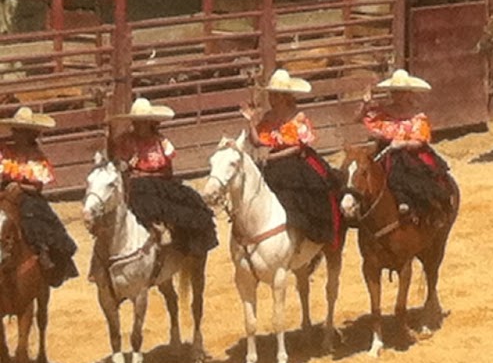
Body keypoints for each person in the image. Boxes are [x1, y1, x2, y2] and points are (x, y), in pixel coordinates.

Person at [109, 97, 219, 258]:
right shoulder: (126, 141)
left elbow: (169, 167)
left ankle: (190, 246)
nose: (140, 125)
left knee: (192, 203)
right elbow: (118, 166)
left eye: (144, 121)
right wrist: (127, 166)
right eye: (137, 122)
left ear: (150, 122)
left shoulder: (161, 141)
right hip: (138, 184)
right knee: (143, 203)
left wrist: (168, 183)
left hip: (162, 183)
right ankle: (155, 230)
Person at [240, 70, 341, 245]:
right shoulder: (268, 117)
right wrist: (250, 121)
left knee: (305, 188)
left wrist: (272, 157)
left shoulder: (298, 117)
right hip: (273, 160)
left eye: (276, 95)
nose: (272, 99)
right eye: (271, 95)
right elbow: (257, 142)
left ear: (285, 97)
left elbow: (297, 147)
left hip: (296, 161)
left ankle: (304, 230)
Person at [0, 106, 78, 285]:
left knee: (33, 218)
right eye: (16, 130)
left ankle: (42, 251)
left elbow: (37, 188)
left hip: (28, 197)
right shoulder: (4, 151)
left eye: (22, 131)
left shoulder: (37, 156)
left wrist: (19, 186)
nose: (17, 134)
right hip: (4, 192)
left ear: (30, 134)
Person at [360, 70, 453, 218]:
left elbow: (420, 140)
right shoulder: (383, 112)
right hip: (385, 150)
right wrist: (364, 104)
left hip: (411, 154)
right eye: (395, 92)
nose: (398, 96)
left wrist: (402, 144)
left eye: (402, 92)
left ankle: (409, 203)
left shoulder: (417, 116)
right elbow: (361, 119)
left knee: (415, 172)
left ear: (410, 93)